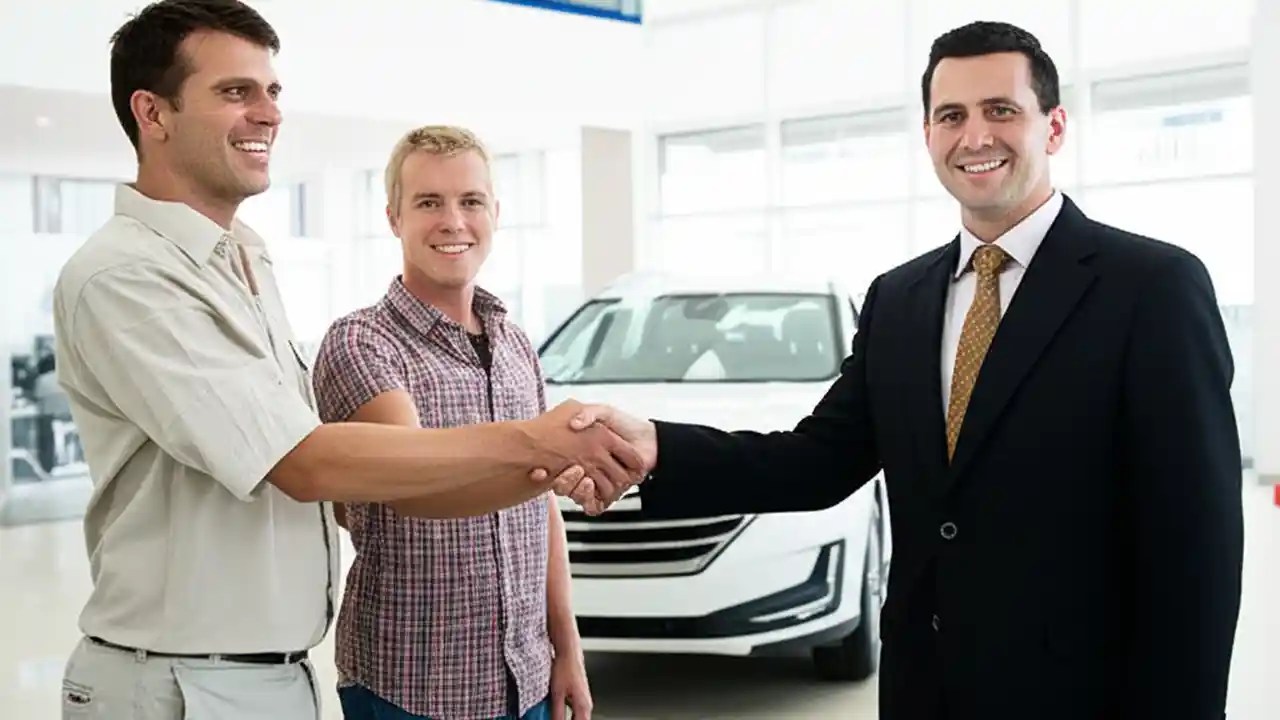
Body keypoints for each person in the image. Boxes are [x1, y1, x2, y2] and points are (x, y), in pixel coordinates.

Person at [559, 20, 1244, 720]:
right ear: (928, 136)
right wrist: (654, 445)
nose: (974, 136)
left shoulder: (1151, 287)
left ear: (1055, 126)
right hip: (926, 687)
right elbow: (819, 460)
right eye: (951, 116)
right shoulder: (900, 298)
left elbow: (1197, 549)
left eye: (1001, 110)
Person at [53, 2, 636, 718]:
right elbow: (305, 465)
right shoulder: (129, 278)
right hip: (181, 681)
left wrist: (549, 470)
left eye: (272, 92)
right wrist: (538, 441)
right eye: (235, 91)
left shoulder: (242, 261)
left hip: (263, 675)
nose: (267, 113)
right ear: (153, 112)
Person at [311, 126, 591, 720]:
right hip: (411, 684)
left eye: (470, 201)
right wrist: (554, 457)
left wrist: (567, 649)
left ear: (496, 213)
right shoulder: (362, 343)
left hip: (528, 676)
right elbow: (416, 485)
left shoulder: (516, 345)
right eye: (429, 202)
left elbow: (540, 514)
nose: (452, 221)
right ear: (393, 218)